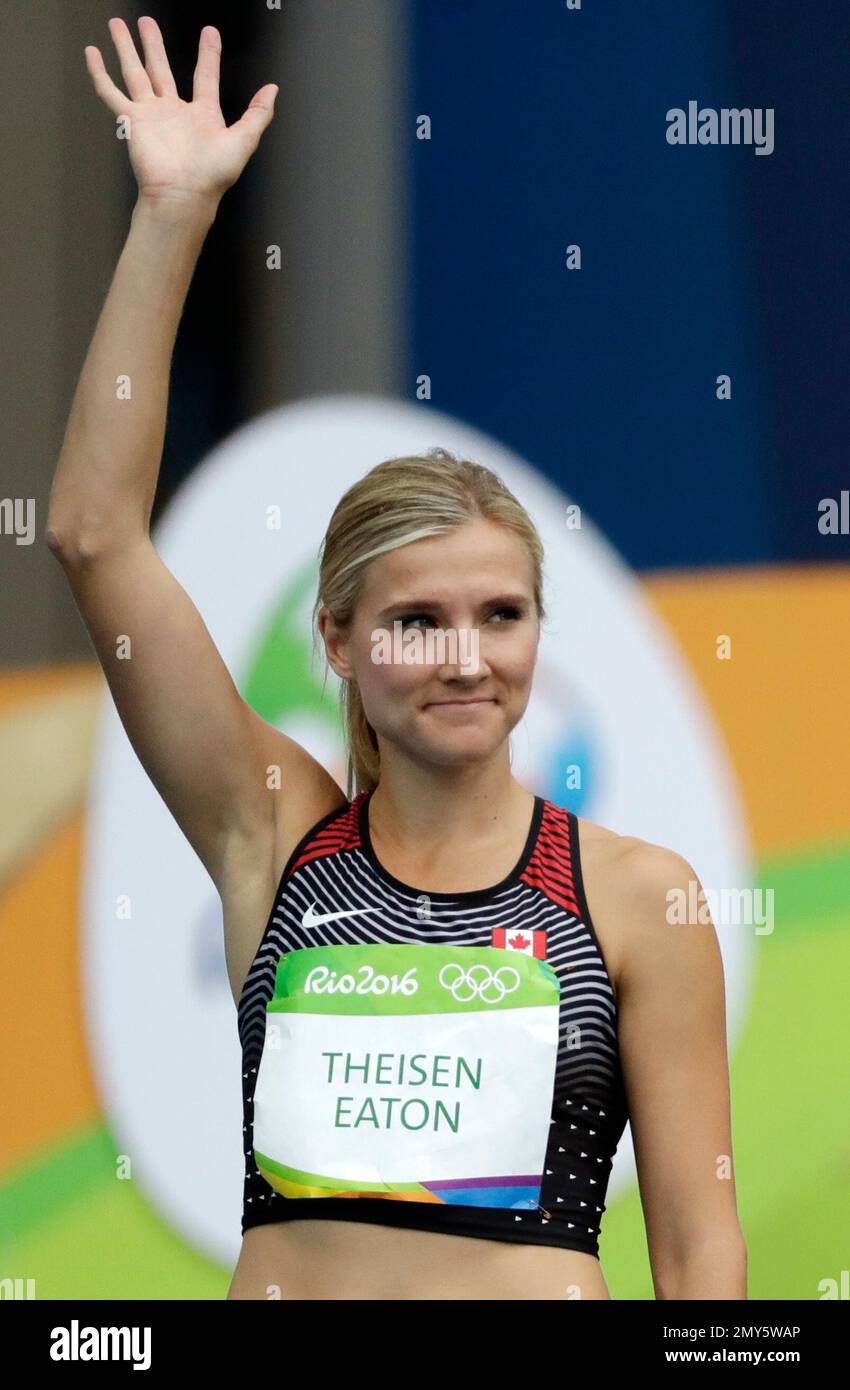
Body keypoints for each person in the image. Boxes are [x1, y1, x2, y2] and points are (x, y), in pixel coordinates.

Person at [46, 16, 747, 1301]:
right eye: (417, 620)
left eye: (502, 615)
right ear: (337, 641)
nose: (466, 658)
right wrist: (171, 215)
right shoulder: (271, 837)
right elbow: (93, 538)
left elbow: (700, 1251)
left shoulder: (642, 897)